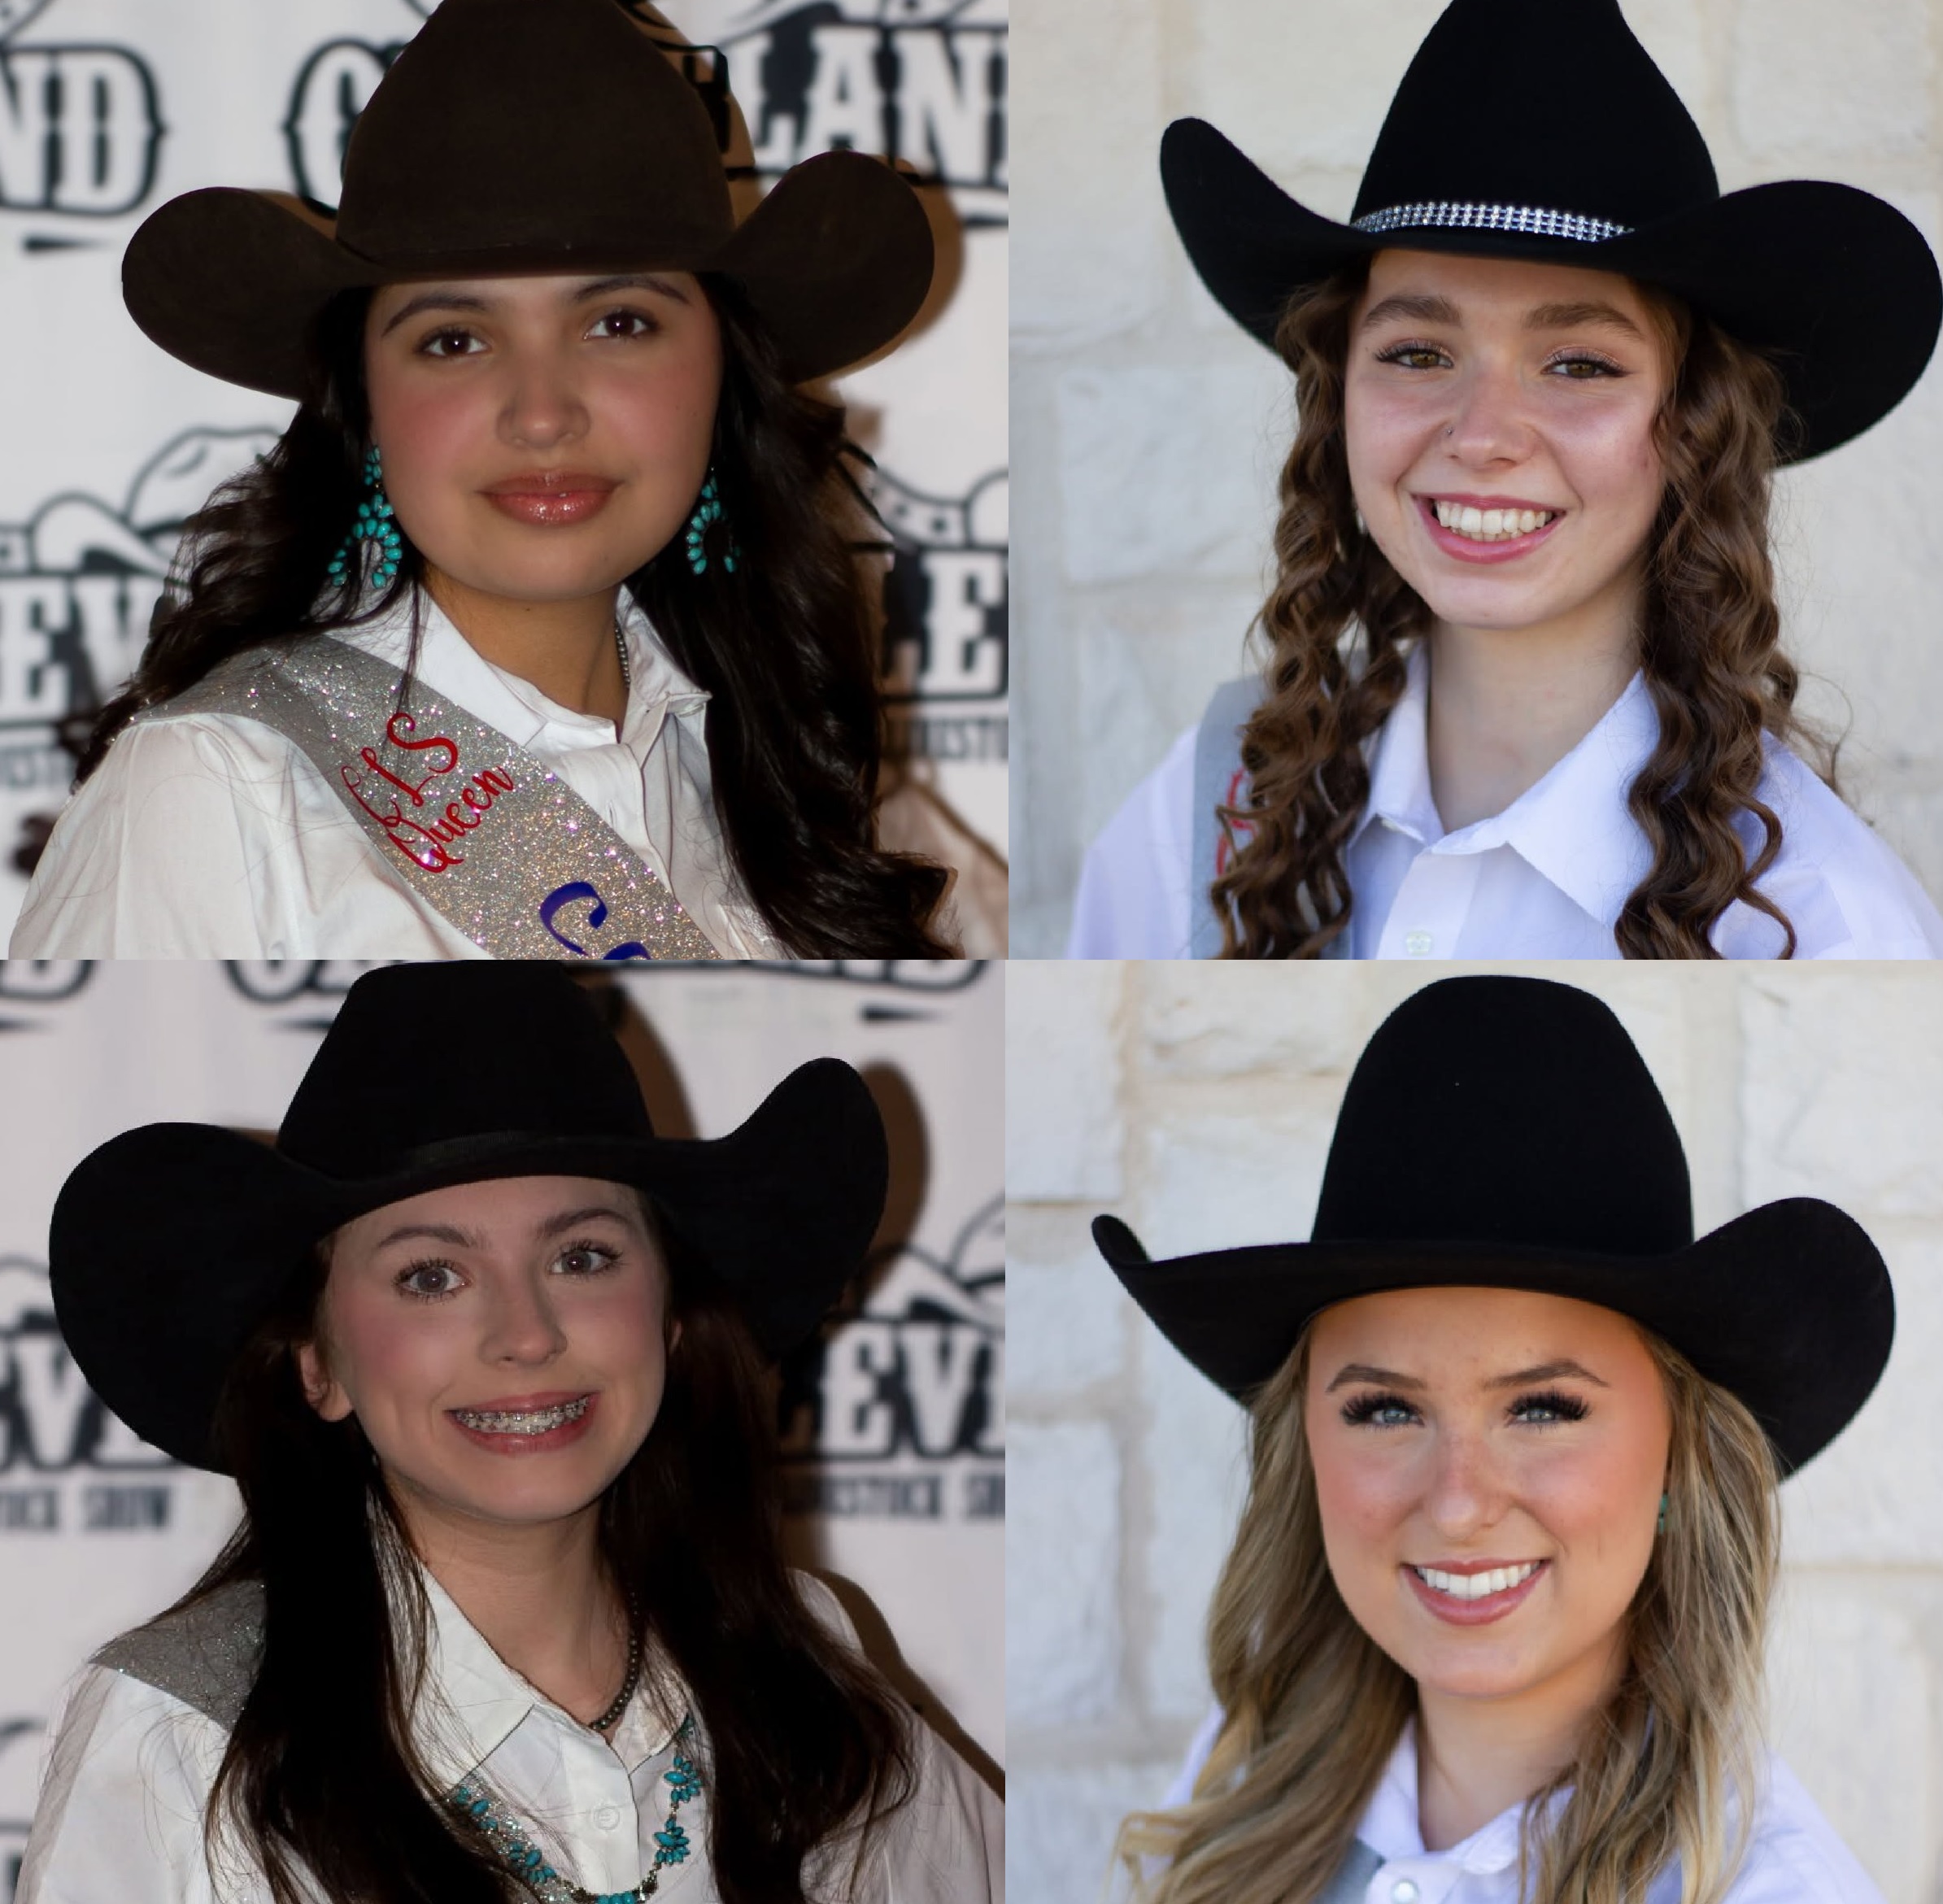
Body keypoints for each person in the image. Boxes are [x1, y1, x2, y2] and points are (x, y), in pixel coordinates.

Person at [20, 963, 1001, 1904]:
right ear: (316, 1364)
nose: (527, 1335)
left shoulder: (801, 1657)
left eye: (582, 1256)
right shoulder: (185, 1731)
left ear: (668, 1317)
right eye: (431, 1276)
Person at [11, 0, 957, 961]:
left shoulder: (805, 788)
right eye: (454, 340)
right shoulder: (215, 790)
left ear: (724, 375)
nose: (542, 413)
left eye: (619, 323)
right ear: (367, 407)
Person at [1067, 0, 1943, 960]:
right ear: (1338, 398)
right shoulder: (1213, 803)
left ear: (1692, 424)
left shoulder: (1815, 922)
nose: (1481, 436)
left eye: (1577, 364)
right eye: (1415, 352)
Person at [1091, 974, 1891, 1902]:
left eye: (1543, 1407)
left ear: (1679, 1455)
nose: (1460, 1502)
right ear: (1300, 1444)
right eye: (1385, 1410)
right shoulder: (1240, 1785)